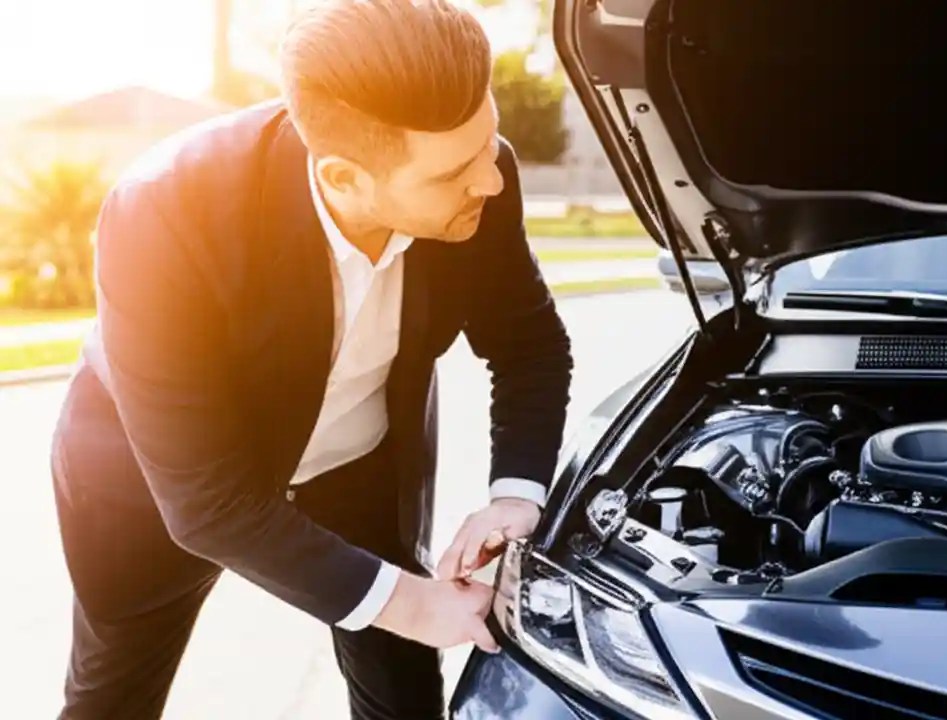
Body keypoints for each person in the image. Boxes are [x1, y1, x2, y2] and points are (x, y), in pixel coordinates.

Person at [47, 1, 573, 717]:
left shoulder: (480, 177)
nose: (490, 180)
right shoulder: (161, 212)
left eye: (489, 143)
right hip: (159, 487)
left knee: (405, 701)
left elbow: (529, 345)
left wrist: (515, 495)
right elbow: (208, 502)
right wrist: (417, 609)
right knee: (111, 702)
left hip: (359, 475)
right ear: (344, 178)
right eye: (456, 171)